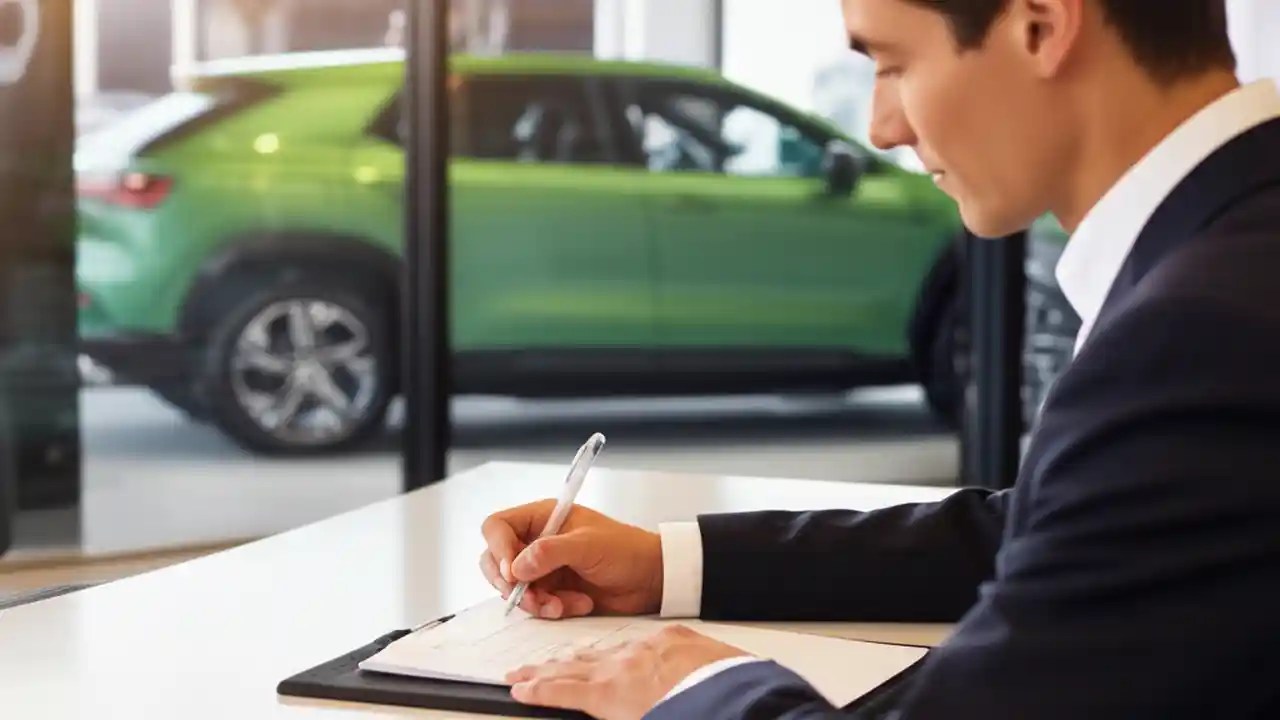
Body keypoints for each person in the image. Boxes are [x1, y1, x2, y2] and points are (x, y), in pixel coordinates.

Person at [479, 0, 1280, 717]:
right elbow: (1045, 530)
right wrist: (664, 566)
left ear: (1041, 25)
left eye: (895, 64)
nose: (882, 127)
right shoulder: (1231, 249)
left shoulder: (1197, 332)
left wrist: (697, 688)